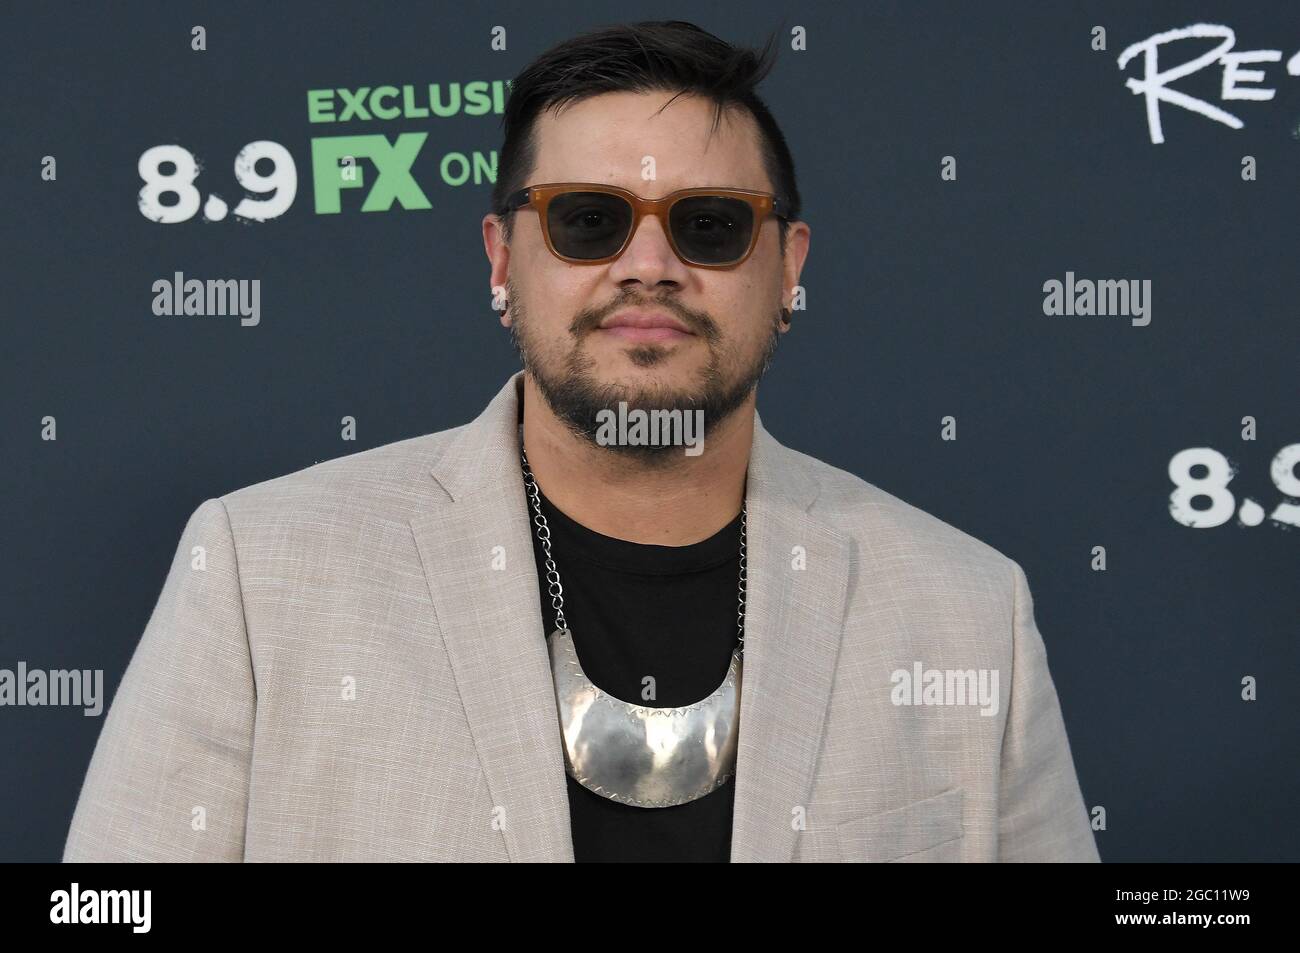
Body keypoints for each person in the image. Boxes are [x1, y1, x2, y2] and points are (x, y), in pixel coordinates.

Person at [64, 20, 1098, 862]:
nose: (647, 265)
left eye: (709, 225)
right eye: (589, 220)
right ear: (502, 254)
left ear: (787, 267)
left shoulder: (967, 612)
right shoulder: (260, 570)